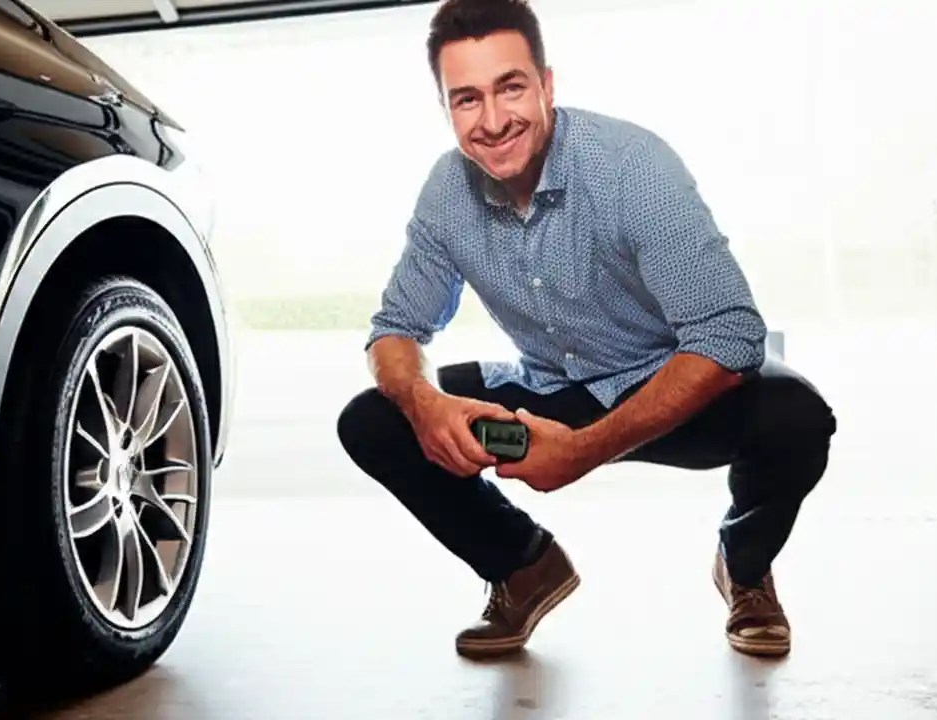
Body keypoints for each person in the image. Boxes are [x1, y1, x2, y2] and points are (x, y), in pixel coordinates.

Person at [336, 0, 837, 660]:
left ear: (546, 85)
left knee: (798, 418)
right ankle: (522, 565)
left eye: (510, 87)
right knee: (375, 419)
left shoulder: (631, 166)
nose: (492, 122)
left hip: (671, 388)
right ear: (446, 108)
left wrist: (583, 450)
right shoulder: (447, 191)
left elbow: (728, 335)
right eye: (466, 99)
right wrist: (425, 405)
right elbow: (394, 330)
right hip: (550, 387)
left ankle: (744, 568)